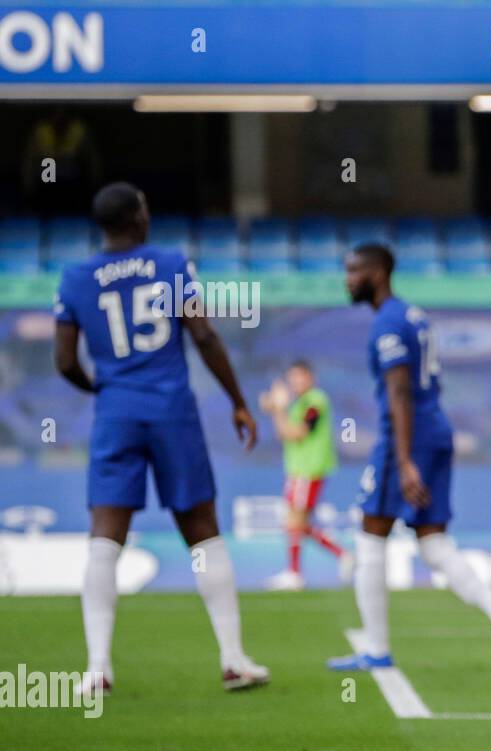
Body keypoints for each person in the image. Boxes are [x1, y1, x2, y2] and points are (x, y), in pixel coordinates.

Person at [53, 182, 270, 695]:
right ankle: (233, 660)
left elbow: (64, 361)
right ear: (137, 218)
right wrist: (238, 400)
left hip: (117, 412)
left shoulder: (75, 277)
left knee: (105, 538)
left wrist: (105, 387)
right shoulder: (171, 264)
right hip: (171, 410)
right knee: (202, 532)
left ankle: (98, 668)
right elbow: (203, 335)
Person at [327, 243, 491, 673]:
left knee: (369, 536)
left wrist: (403, 461)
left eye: (354, 271)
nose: (347, 279)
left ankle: (377, 651)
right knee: (434, 543)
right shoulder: (413, 315)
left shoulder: (388, 323)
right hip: (436, 430)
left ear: (378, 273)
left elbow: (399, 391)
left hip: (409, 437)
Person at [260, 360, 352, 590]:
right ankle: (343, 555)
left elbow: (298, 433)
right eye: (292, 377)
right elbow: (284, 433)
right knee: (296, 522)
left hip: (309, 469)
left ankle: (295, 573)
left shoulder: (315, 401)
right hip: (296, 469)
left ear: (311, 377)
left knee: (295, 520)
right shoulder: (298, 404)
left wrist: (278, 409)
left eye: (300, 376)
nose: (295, 382)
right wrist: (275, 410)